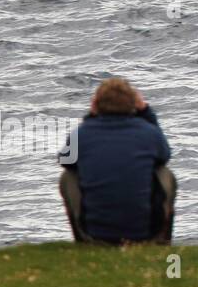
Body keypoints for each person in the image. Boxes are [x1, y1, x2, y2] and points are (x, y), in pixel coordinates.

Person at [59, 77, 177, 244]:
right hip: (143, 232)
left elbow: (65, 160)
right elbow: (163, 156)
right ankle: (161, 240)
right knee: (165, 174)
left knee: (68, 177)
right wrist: (146, 113)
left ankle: (84, 241)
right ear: (134, 104)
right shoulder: (149, 132)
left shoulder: (81, 134)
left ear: (95, 104)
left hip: (96, 232)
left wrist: (90, 119)